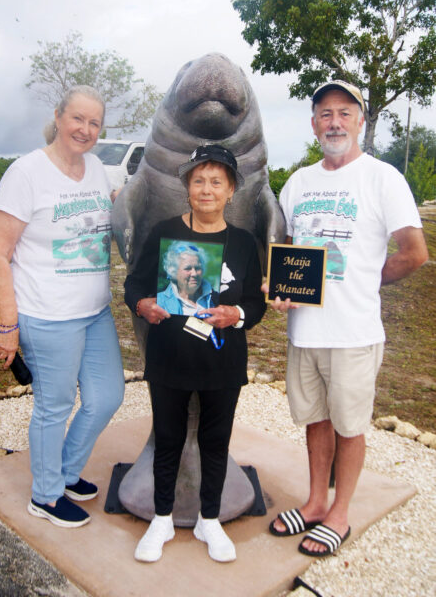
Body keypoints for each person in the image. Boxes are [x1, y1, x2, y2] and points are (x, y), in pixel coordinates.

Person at [266, 80, 428, 558]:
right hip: (305, 332)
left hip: (354, 332)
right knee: (315, 420)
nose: (334, 121)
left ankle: (340, 513)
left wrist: (363, 279)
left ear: (360, 120)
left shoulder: (383, 178)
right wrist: (281, 289)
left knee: (349, 425)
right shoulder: (297, 182)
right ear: (313, 123)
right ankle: (315, 502)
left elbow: (414, 253)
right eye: (324, 113)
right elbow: (288, 253)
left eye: (344, 112)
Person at [0, 85, 125, 528]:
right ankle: (45, 496)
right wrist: (7, 325)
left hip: (95, 311)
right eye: (77, 119)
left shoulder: (100, 172)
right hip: (46, 315)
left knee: (106, 397)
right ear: (59, 116)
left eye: (94, 123)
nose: (85, 130)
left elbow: (117, 216)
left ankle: (64, 472)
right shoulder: (26, 173)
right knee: (55, 405)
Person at [124, 144, 265, 563]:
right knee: (167, 439)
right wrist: (142, 304)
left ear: (231, 190)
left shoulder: (241, 242)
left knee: (215, 441)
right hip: (169, 358)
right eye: (198, 180)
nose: (206, 189)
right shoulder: (165, 233)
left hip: (222, 362)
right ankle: (162, 516)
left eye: (216, 182)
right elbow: (134, 284)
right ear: (187, 186)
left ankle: (210, 518)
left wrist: (236, 313)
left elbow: (255, 305)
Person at [156, 242, 219, 315]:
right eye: (188, 268)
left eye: (198, 268)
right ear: (173, 271)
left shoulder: (216, 299)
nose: (194, 273)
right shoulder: (160, 302)